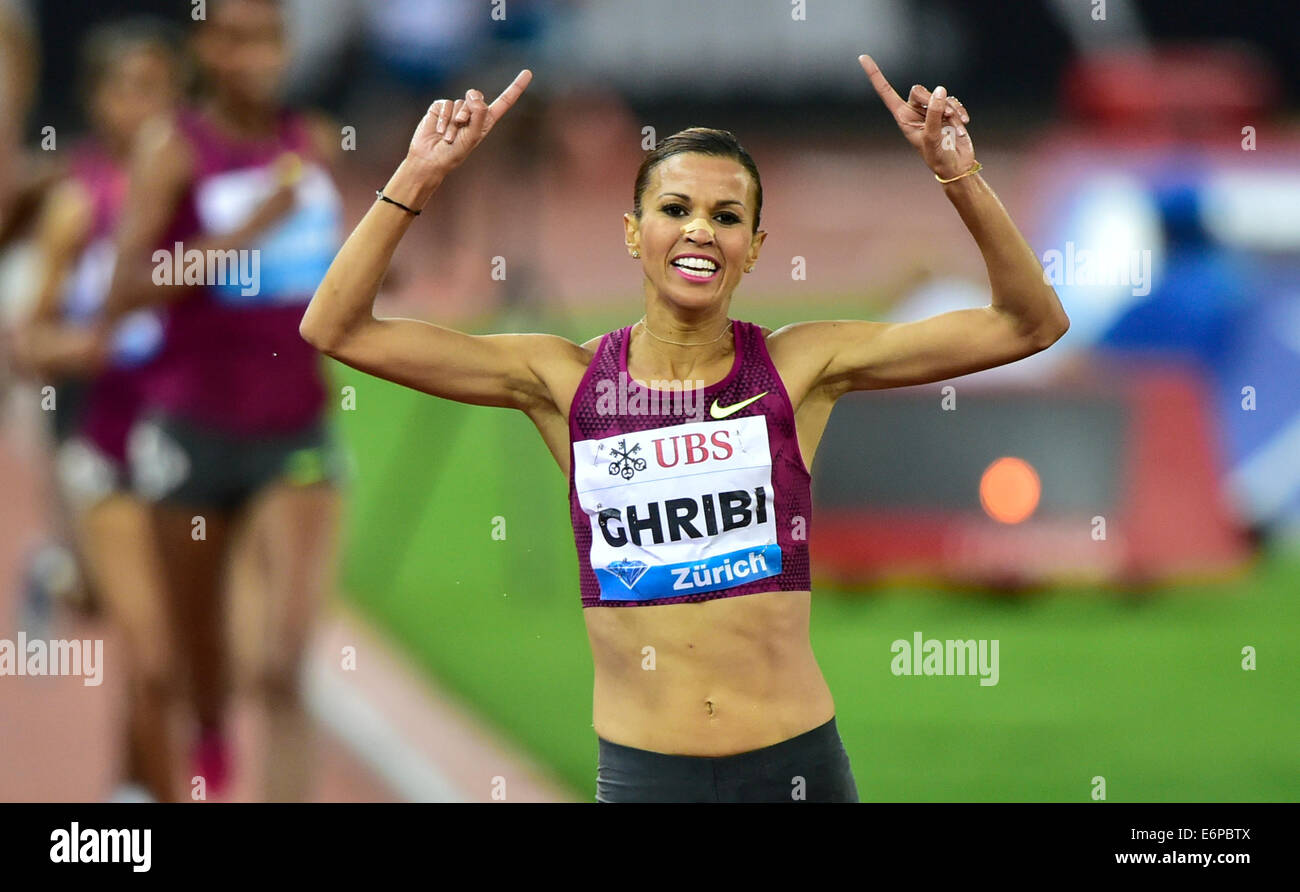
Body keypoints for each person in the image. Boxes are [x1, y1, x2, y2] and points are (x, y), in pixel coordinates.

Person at [300, 56, 1069, 803]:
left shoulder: (803, 367)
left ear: (754, 249)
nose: (700, 231)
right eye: (675, 210)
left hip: (794, 767)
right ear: (635, 233)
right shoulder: (561, 382)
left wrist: (955, 171)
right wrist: (421, 175)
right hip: (647, 776)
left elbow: (1029, 323)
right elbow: (337, 326)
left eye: (726, 216)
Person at [103, 0, 346, 801]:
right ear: (206, 47)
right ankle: (208, 729)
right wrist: (244, 237)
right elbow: (130, 287)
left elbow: (333, 269)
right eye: (235, 40)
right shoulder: (174, 151)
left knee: (282, 663)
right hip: (194, 427)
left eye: (268, 40)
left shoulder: (307, 142)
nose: (254, 58)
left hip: (297, 427)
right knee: (202, 661)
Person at [9, 19, 183, 802]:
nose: (144, 107)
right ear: (97, 99)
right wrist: (101, 343)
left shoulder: (200, 193)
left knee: (166, 645)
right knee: (146, 643)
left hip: (189, 434)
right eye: (127, 89)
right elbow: (29, 341)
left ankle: (130, 791)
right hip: (91, 426)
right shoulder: (78, 202)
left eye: (160, 89)